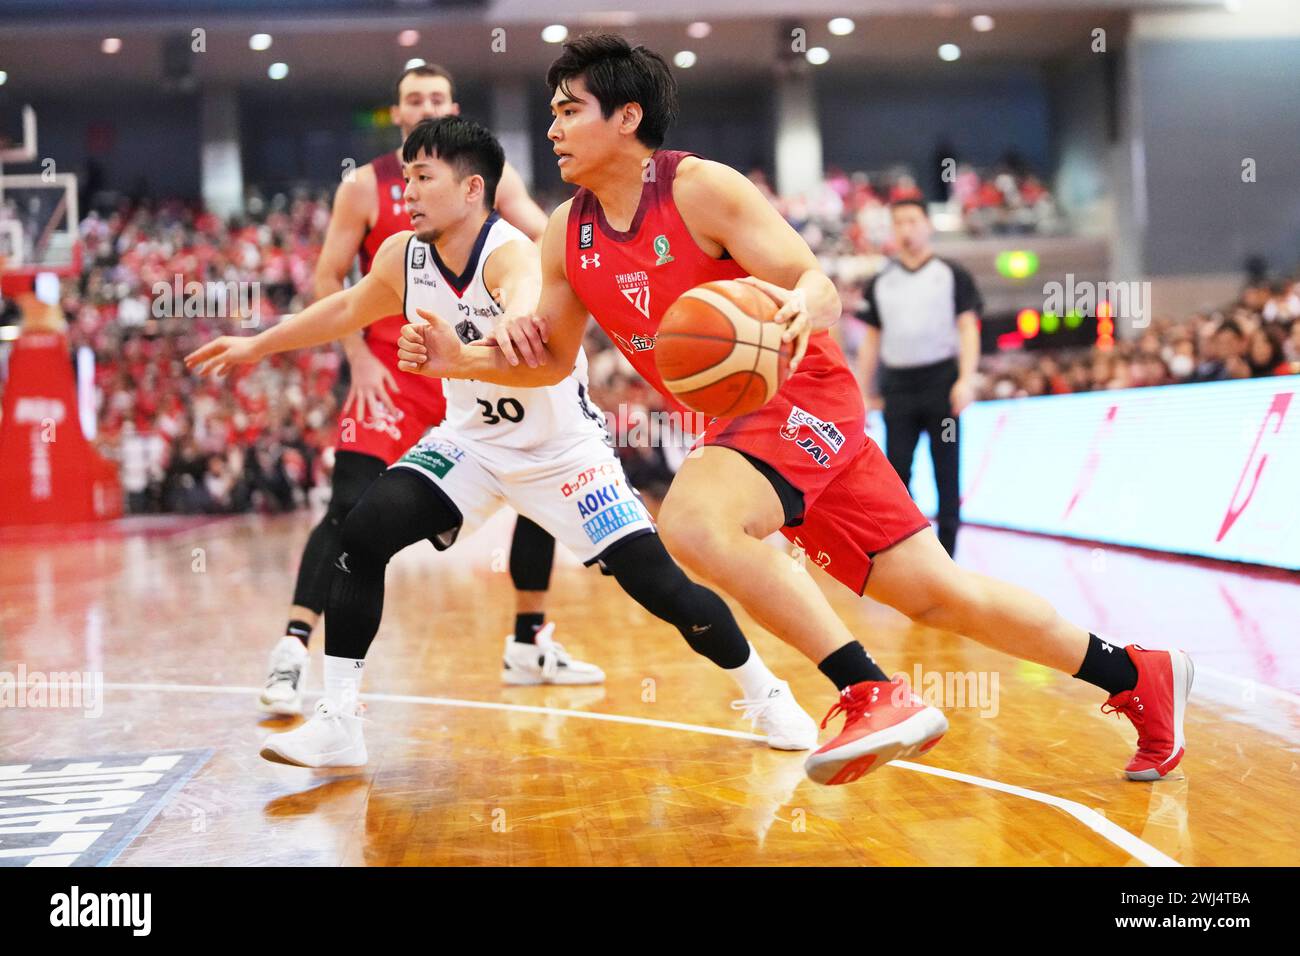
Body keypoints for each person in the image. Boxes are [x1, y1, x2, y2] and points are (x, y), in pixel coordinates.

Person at [397, 34, 1193, 786]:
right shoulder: (566, 234)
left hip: (800, 393)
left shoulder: (701, 188)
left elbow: (813, 279)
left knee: (694, 520)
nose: (554, 128)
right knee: (939, 596)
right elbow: (552, 360)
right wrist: (457, 360)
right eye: (554, 112)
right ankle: (1139, 674)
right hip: (746, 426)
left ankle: (872, 692)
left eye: (571, 110)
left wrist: (801, 306)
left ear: (626, 117)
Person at [186, 116, 817, 767]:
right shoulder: (403, 256)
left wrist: (474, 344)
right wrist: (256, 344)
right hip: (472, 445)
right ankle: (341, 721)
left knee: (658, 586)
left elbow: (523, 313)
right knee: (362, 529)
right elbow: (346, 310)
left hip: (561, 453)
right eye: (404, 177)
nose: (406, 190)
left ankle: (766, 693)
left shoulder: (514, 253)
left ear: (471, 190)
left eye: (423, 176)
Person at [259, 63, 562, 716]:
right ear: (396, 114)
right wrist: (356, 361)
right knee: (348, 510)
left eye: (435, 97)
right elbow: (328, 281)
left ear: (452, 105)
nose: (423, 105)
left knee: (539, 492)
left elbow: (543, 239)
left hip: (467, 370)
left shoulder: (489, 176)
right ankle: (292, 650)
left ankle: (530, 643)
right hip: (390, 372)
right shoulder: (365, 186)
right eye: (412, 99)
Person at [855, 198, 981, 557]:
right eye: (899, 223)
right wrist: (862, 392)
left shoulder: (952, 274)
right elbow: (871, 341)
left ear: (927, 224)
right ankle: (909, 558)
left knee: (947, 473)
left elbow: (968, 327)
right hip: (899, 387)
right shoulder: (880, 282)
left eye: (912, 221)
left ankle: (949, 561)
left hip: (942, 382)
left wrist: (966, 379)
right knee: (896, 476)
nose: (906, 229)